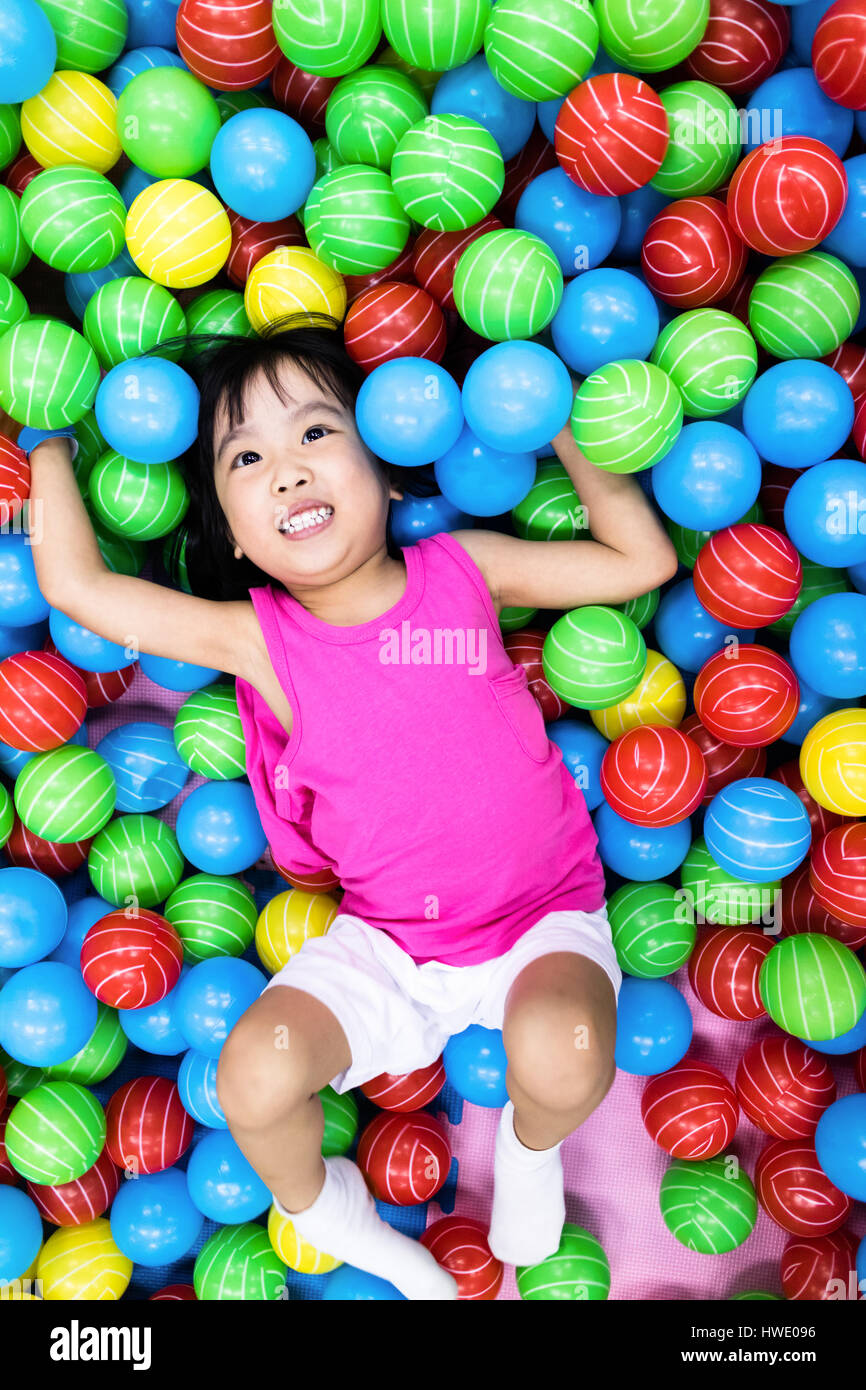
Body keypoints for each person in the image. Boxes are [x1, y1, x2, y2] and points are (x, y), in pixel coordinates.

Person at [25, 315, 679, 1300]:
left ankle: (531, 1143)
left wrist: (558, 417)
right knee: (252, 1076)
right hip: (388, 952)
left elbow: (640, 564)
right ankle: (331, 1212)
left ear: (386, 461)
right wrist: (47, 440)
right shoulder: (258, 639)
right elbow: (81, 588)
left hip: (542, 916)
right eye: (246, 457)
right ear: (233, 535)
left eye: (316, 433)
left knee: (567, 1049)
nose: (287, 470)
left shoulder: (464, 572)